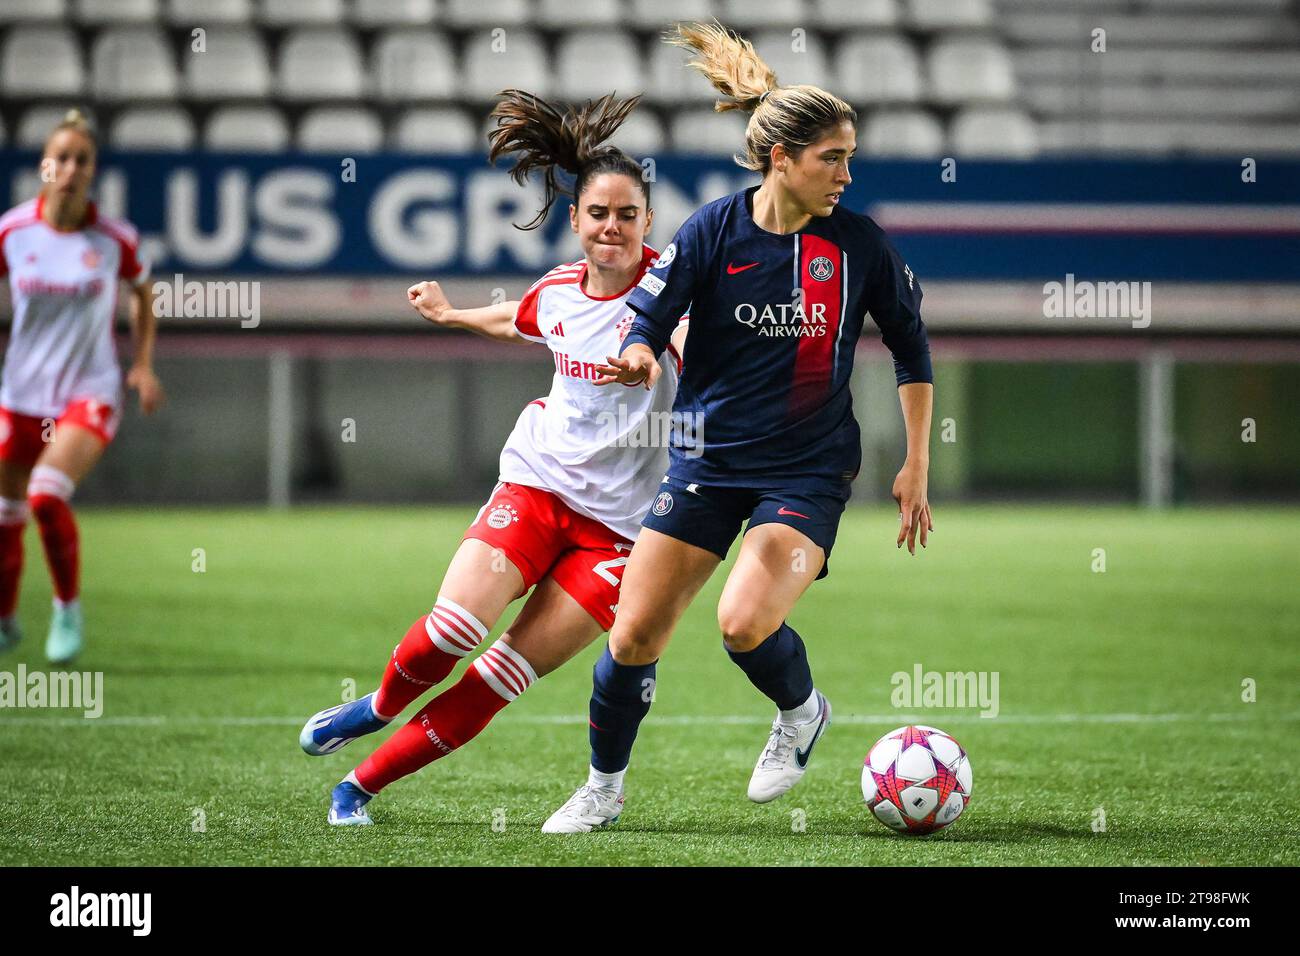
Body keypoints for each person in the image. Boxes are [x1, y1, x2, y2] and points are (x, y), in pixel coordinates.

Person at [542, 22, 935, 833]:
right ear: (780, 159)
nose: (846, 174)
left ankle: (800, 711)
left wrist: (916, 462)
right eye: (833, 157)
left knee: (743, 621)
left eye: (850, 156)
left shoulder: (858, 245)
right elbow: (648, 317)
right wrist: (640, 355)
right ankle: (602, 789)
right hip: (704, 464)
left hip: (807, 471)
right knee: (633, 636)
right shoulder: (712, 232)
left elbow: (911, 348)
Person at [298, 90, 688, 826]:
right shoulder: (559, 290)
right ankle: (376, 707)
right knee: (451, 630)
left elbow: (697, 352)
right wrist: (451, 315)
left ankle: (358, 787)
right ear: (575, 219)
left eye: (627, 214)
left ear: (648, 223)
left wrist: (654, 363)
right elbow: (519, 319)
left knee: (502, 673)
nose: (611, 226)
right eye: (597, 213)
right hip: (538, 485)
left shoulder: (669, 299)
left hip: (618, 534)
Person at [0, 110, 164, 664]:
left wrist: (141, 364)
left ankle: (66, 608)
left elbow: (144, 294)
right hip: (20, 393)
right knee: (6, 512)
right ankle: (5, 618)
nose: (70, 168)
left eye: (82, 160)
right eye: (61, 158)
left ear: (93, 170)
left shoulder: (114, 239)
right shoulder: (13, 231)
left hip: (88, 392)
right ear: (45, 166)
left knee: (46, 494)